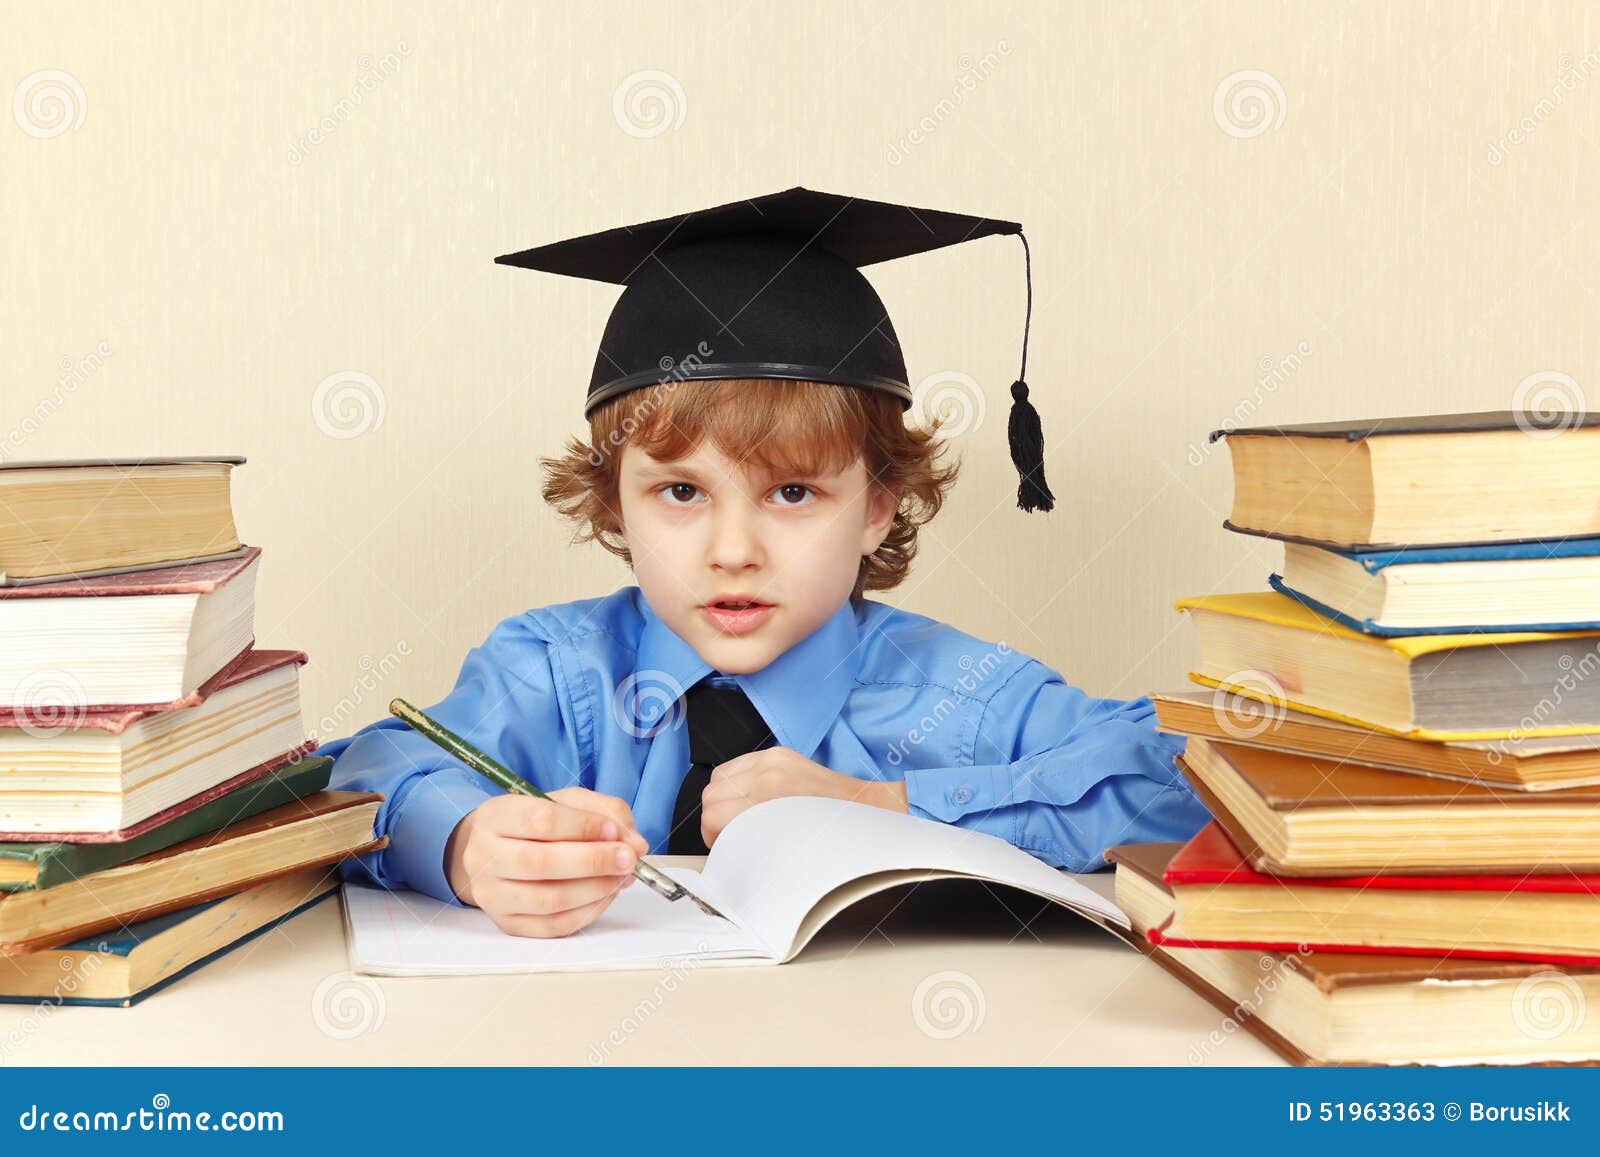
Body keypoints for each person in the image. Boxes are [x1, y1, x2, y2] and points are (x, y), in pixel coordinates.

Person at [319, 188, 1211, 938]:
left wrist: (885, 808)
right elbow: (365, 770)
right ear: (615, 503)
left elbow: (1186, 780)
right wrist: (467, 844)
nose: (734, 551)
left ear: (876, 508)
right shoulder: (555, 675)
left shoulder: (955, 695)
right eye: (680, 491)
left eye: (792, 492)